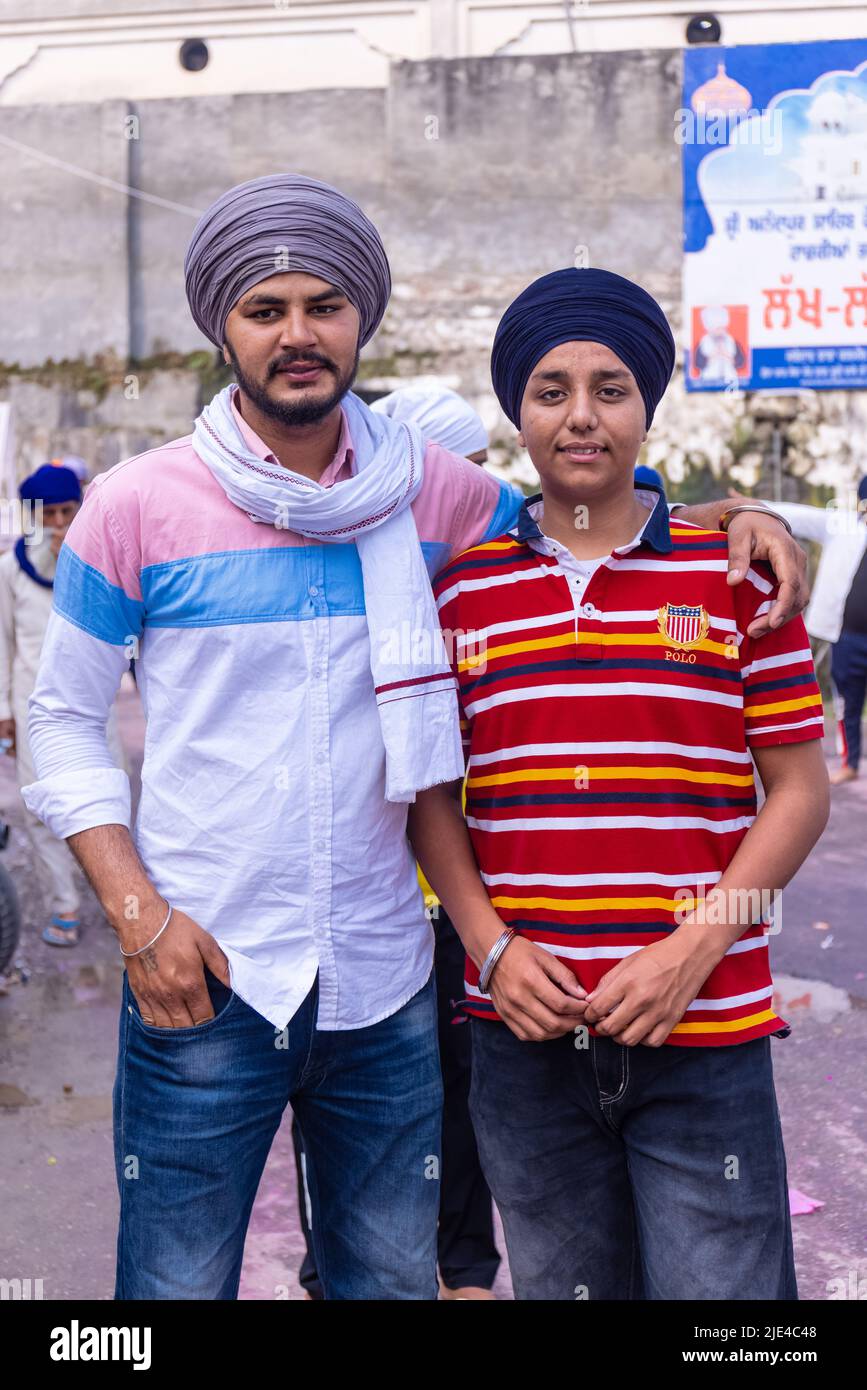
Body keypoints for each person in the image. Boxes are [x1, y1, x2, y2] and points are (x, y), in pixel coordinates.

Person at [21, 175, 806, 1301]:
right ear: (222, 327)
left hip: (383, 991)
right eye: (266, 308)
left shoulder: (428, 493)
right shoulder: (135, 505)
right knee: (173, 1286)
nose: (299, 333)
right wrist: (138, 919)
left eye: (326, 305)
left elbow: (586, 516)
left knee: (389, 1281)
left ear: (361, 322)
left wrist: (741, 518)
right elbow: (59, 718)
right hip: (202, 973)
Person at [407, 266, 830, 1301]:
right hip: (523, 1040)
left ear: (648, 402)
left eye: (611, 388)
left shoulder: (738, 579)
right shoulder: (460, 592)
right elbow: (429, 795)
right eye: (551, 390)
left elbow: (799, 791)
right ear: (518, 412)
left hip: (704, 1028)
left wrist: (696, 948)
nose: (582, 417)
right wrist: (490, 947)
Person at [293, 383, 503, 1300]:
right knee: (343, 1107)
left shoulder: (488, 580)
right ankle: (330, 1263)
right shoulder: (338, 566)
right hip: (369, 895)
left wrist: (734, 510)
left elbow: (613, 508)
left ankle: (461, 1268)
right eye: (455, 475)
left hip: (458, 894)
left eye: (483, 477)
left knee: (461, 1100)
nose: (469, 499)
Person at [0, 464, 124, 945]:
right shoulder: (11, 570)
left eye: (66, 512)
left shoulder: (101, 561)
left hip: (97, 707)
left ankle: (120, 900)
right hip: (31, 709)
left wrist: (76, 563)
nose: (57, 524)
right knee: (42, 808)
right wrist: (4, 714)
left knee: (108, 799)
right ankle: (64, 903)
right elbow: (3, 643)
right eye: (46, 514)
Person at [757, 478, 867, 785]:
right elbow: (797, 515)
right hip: (846, 637)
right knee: (847, 702)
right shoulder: (842, 525)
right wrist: (747, 507)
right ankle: (850, 763)